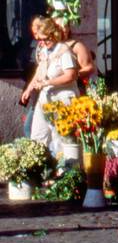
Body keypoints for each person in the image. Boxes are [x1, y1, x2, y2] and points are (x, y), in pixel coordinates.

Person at [21, 16, 80, 158]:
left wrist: (47, 82)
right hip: (45, 98)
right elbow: (40, 70)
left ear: (53, 34)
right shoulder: (44, 50)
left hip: (62, 99)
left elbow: (71, 75)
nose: (42, 42)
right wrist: (29, 89)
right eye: (39, 39)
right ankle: (39, 171)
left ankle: (62, 172)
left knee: (59, 139)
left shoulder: (63, 51)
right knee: (37, 135)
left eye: (45, 39)